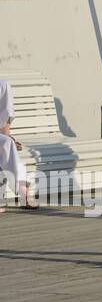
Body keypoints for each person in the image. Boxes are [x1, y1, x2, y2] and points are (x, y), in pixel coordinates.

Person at [0, 78, 38, 212]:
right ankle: (23, 192)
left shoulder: (2, 85)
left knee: (7, 143)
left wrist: (7, 135)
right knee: (7, 145)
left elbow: (5, 115)